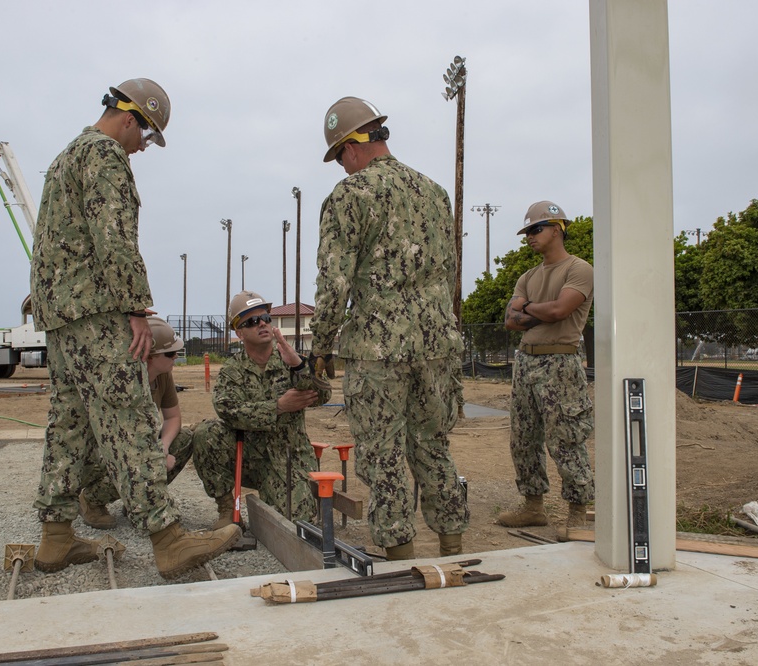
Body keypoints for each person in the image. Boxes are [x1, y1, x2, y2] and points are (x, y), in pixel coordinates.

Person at [29, 77, 239, 580]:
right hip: (97, 316)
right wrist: (136, 308)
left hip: (60, 319)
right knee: (129, 419)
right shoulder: (104, 157)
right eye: (144, 137)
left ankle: (55, 537)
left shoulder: (64, 157)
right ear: (130, 118)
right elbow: (115, 237)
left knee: (69, 423)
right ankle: (168, 540)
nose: (142, 148)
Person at [309, 96, 469, 560]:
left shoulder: (350, 196)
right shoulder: (434, 192)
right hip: (438, 346)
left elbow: (334, 282)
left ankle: (401, 556)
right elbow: (447, 271)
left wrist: (320, 347)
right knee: (432, 445)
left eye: (339, 156)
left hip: (379, 352)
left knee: (383, 455)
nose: (341, 167)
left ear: (352, 146)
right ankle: (452, 546)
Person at [192, 290, 330, 528]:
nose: (263, 324)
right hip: (248, 455)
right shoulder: (232, 370)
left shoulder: (290, 359)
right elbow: (227, 410)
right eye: (253, 321)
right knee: (206, 434)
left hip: (288, 456)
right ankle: (227, 510)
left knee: (297, 524)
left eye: (266, 318)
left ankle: (284, 498)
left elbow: (323, 395)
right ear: (239, 332)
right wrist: (277, 407)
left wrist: (298, 366)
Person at [499, 201, 595, 541]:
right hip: (526, 362)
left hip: (561, 364)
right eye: (527, 232)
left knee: (566, 439)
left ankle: (578, 513)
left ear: (558, 228)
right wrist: (539, 311)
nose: (530, 237)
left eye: (536, 229)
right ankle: (533, 507)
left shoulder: (578, 269)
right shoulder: (528, 276)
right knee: (523, 439)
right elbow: (511, 321)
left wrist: (530, 308)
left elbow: (561, 310)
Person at [77, 316, 197, 529]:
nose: (176, 357)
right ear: (148, 356)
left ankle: (140, 498)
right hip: (109, 452)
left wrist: (164, 446)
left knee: (185, 439)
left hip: (140, 445)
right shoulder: (122, 382)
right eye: (169, 353)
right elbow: (121, 440)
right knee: (141, 459)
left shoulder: (163, 375)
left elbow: (173, 417)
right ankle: (92, 500)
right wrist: (157, 455)